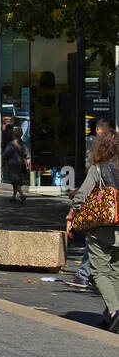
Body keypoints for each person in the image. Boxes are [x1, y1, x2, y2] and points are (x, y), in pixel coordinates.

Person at [65, 127, 119, 331]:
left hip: (103, 228)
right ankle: (111, 314)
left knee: (99, 272)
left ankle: (114, 311)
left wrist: (75, 215)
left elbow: (80, 197)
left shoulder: (99, 169)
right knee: (115, 272)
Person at [2, 119, 29, 204]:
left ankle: (21, 195)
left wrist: (4, 162)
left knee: (15, 181)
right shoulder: (23, 143)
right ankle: (14, 196)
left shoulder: (11, 144)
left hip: (12, 165)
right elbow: (27, 154)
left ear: (14, 134)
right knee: (15, 181)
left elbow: (5, 155)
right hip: (20, 164)